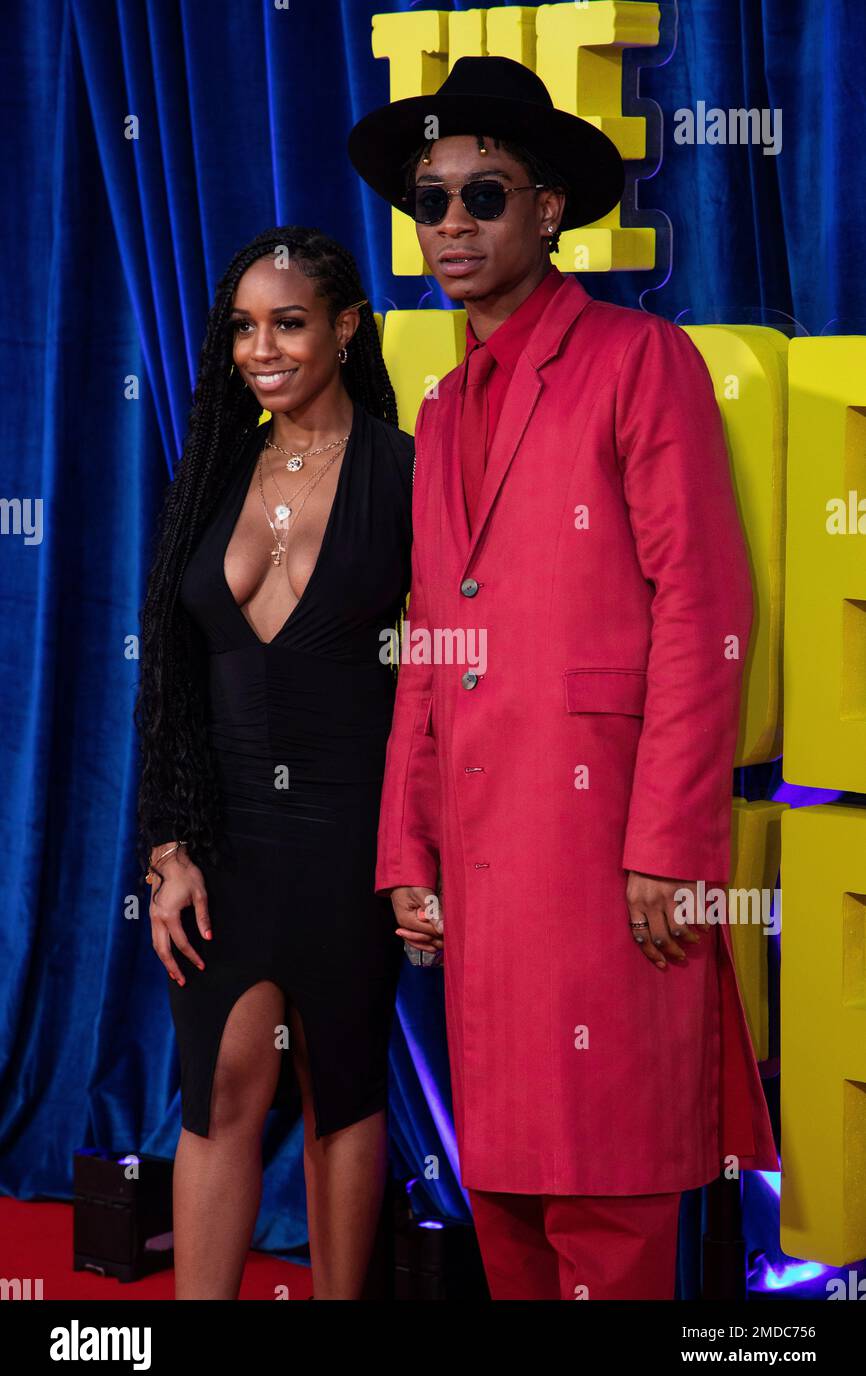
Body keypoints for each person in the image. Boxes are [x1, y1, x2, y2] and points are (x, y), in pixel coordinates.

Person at [348, 56, 780, 1300]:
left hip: (608, 860)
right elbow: (431, 634)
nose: (449, 226)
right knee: (509, 1203)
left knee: (614, 1194)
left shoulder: (639, 359)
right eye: (429, 201)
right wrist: (403, 849)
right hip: (480, 873)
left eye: (482, 194)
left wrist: (669, 843)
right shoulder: (434, 411)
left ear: (550, 209)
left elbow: (707, 608)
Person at [135, 227, 413, 1300]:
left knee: (342, 1092)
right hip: (224, 842)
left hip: (352, 834)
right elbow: (164, 672)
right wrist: (169, 847)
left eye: (288, 322)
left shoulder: (404, 471)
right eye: (243, 326)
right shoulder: (210, 470)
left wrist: (418, 848)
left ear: (345, 327)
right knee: (221, 1091)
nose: (262, 347)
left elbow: (441, 677)